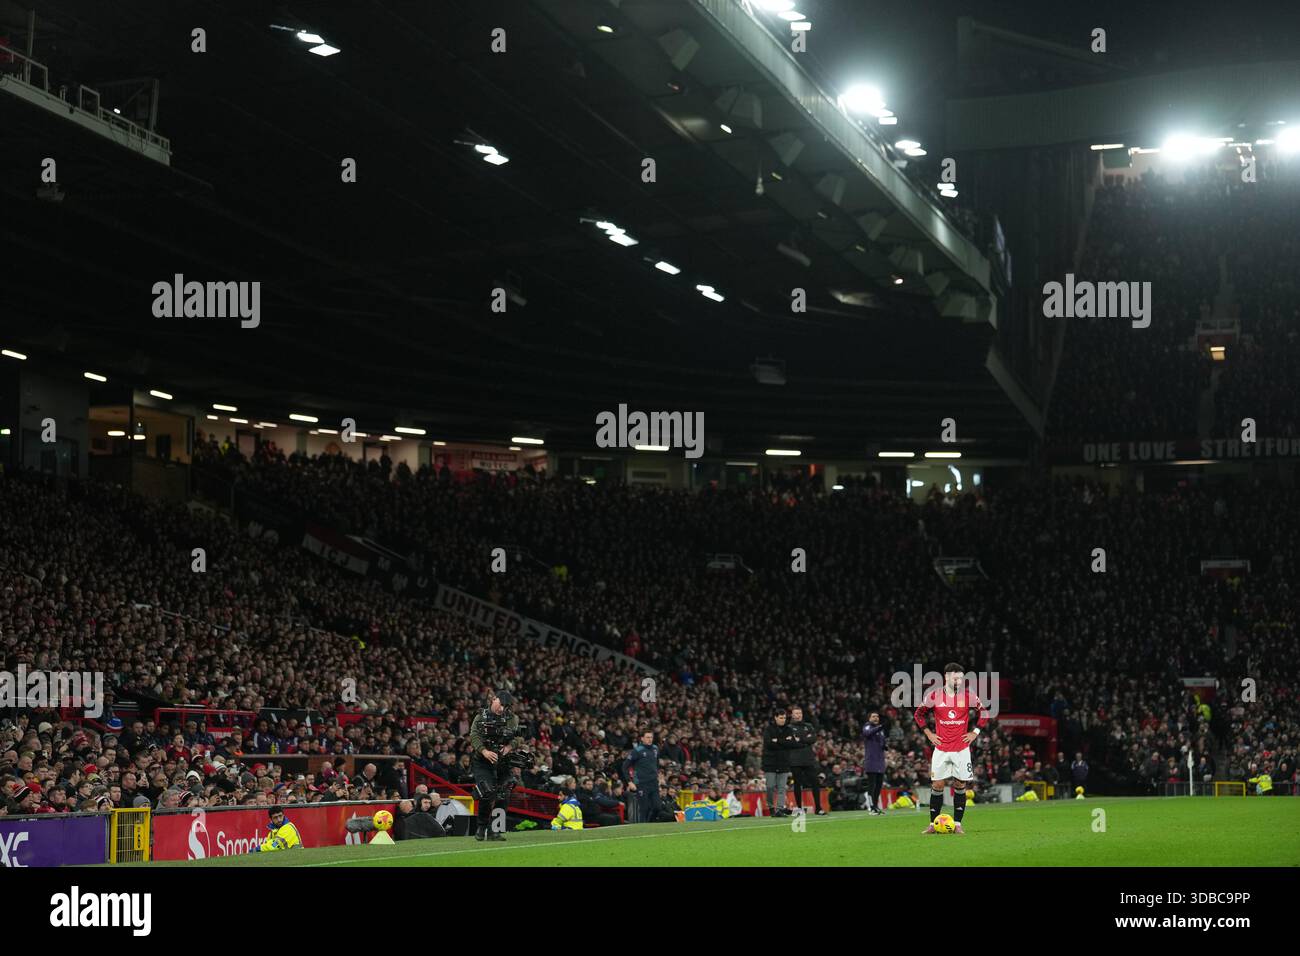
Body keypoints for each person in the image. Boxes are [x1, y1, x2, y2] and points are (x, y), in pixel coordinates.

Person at [915, 663, 987, 835]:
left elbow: (984, 713)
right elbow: (919, 714)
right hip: (941, 748)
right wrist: (929, 734)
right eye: (956, 678)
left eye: (961, 678)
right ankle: (933, 824)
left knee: (960, 784)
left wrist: (975, 732)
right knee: (938, 784)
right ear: (946, 676)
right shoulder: (934, 695)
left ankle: (957, 824)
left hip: (961, 748)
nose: (959, 681)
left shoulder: (969, 696)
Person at [469, 690, 522, 842]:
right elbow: (474, 735)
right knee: (487, 791)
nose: (501, 709)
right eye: (500, 704)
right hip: (483, 760)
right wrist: (484, 751)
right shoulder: (481, 716)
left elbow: (518, 737)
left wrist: (509, 747)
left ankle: (495, 830)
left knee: (504, 793)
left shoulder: (511, 718)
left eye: (505, 706)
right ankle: (481, 827)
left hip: (503, 760)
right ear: (493, 700)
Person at [787, 705, 825, 815]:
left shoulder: (808, 726)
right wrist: (805, 739)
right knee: (797, 784)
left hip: (808, 758)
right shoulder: (788, 728)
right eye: (796, 713)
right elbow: (792, 742)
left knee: (815, 782)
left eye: (800, 713)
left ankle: (818, 808)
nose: (798, 715)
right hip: (795, 759)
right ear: (792, 715)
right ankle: (799, 808)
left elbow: (813, 738)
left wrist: (801, 739)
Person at [621, 729, 662, 823]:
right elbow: (625, 766)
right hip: (641, 783)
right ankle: (643, 828)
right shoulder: (637, 751)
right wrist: (629, 781)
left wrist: (659, 776)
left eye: (651, 737)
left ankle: (649, 823)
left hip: (653, 782)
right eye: (647, 737)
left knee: (657, 807)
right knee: (644, 808)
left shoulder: (655, 748)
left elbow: (656, 763)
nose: (650, 739)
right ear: (642, 738)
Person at [762, 709, 793, 817]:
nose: (783, 720)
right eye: (781, 718)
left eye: (784, 718)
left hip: (783, 762)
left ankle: (779, 809)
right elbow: (768, 744)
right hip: (770, 763)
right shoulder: (768, 730)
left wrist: (777, 741)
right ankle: (771, 807)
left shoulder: (789, 729)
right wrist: (783, 742)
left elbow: (790, 744)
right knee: (770, 787)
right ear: (775, 717)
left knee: (781, 788)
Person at [862, 709, 887, 815]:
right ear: (869, 718)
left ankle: (876, 806)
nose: (876, 718)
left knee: (878, 786)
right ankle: (871, 807)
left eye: (877, 716)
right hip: (871, 761)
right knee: (871, 786)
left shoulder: (880, 730)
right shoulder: (867, 726)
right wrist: (880, 727)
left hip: (880, 761)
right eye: (873, 716)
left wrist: (884, 746)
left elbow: (881, 742)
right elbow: (867, 733)